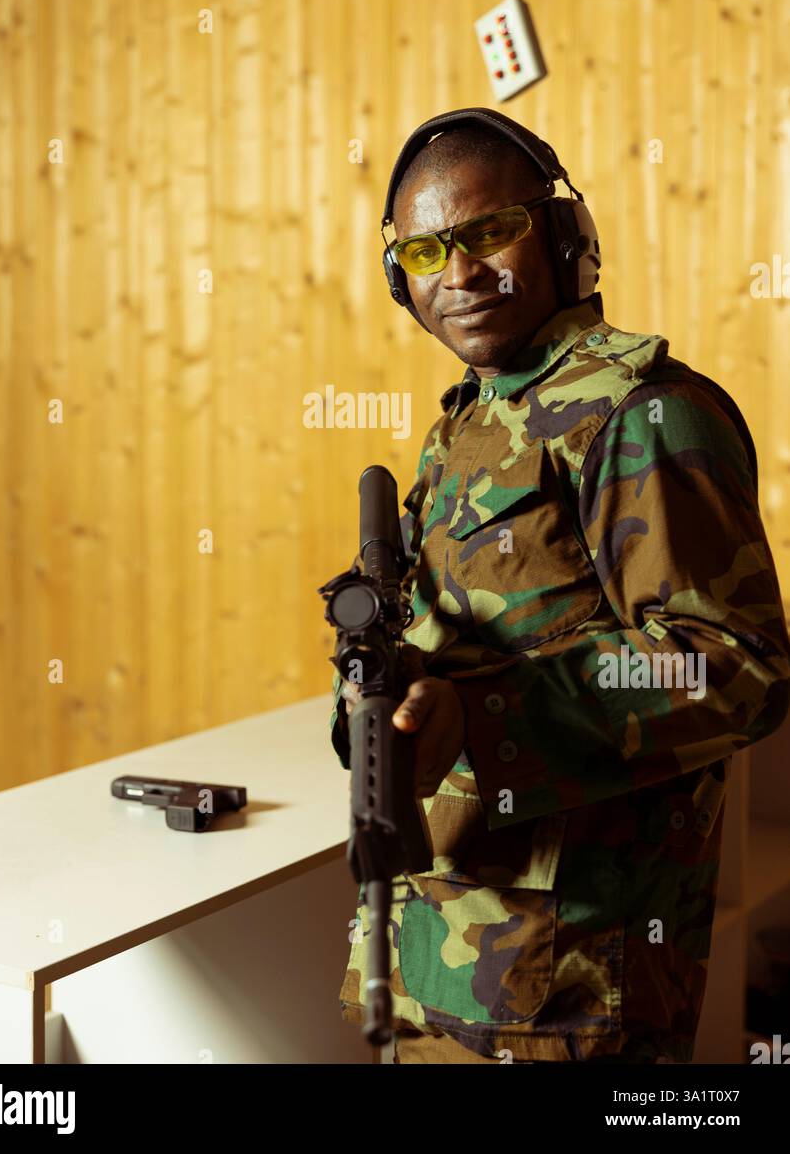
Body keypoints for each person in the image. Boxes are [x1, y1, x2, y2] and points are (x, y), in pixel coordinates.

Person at [329, 106, 790, 1064]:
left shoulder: (644, 413)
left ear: (563, 235)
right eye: (423, 253)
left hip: (569, 989)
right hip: (435, 961)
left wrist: (486, 717)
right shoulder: (468, 424)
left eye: (491, 232)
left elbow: (732, 667)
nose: (459, 275)